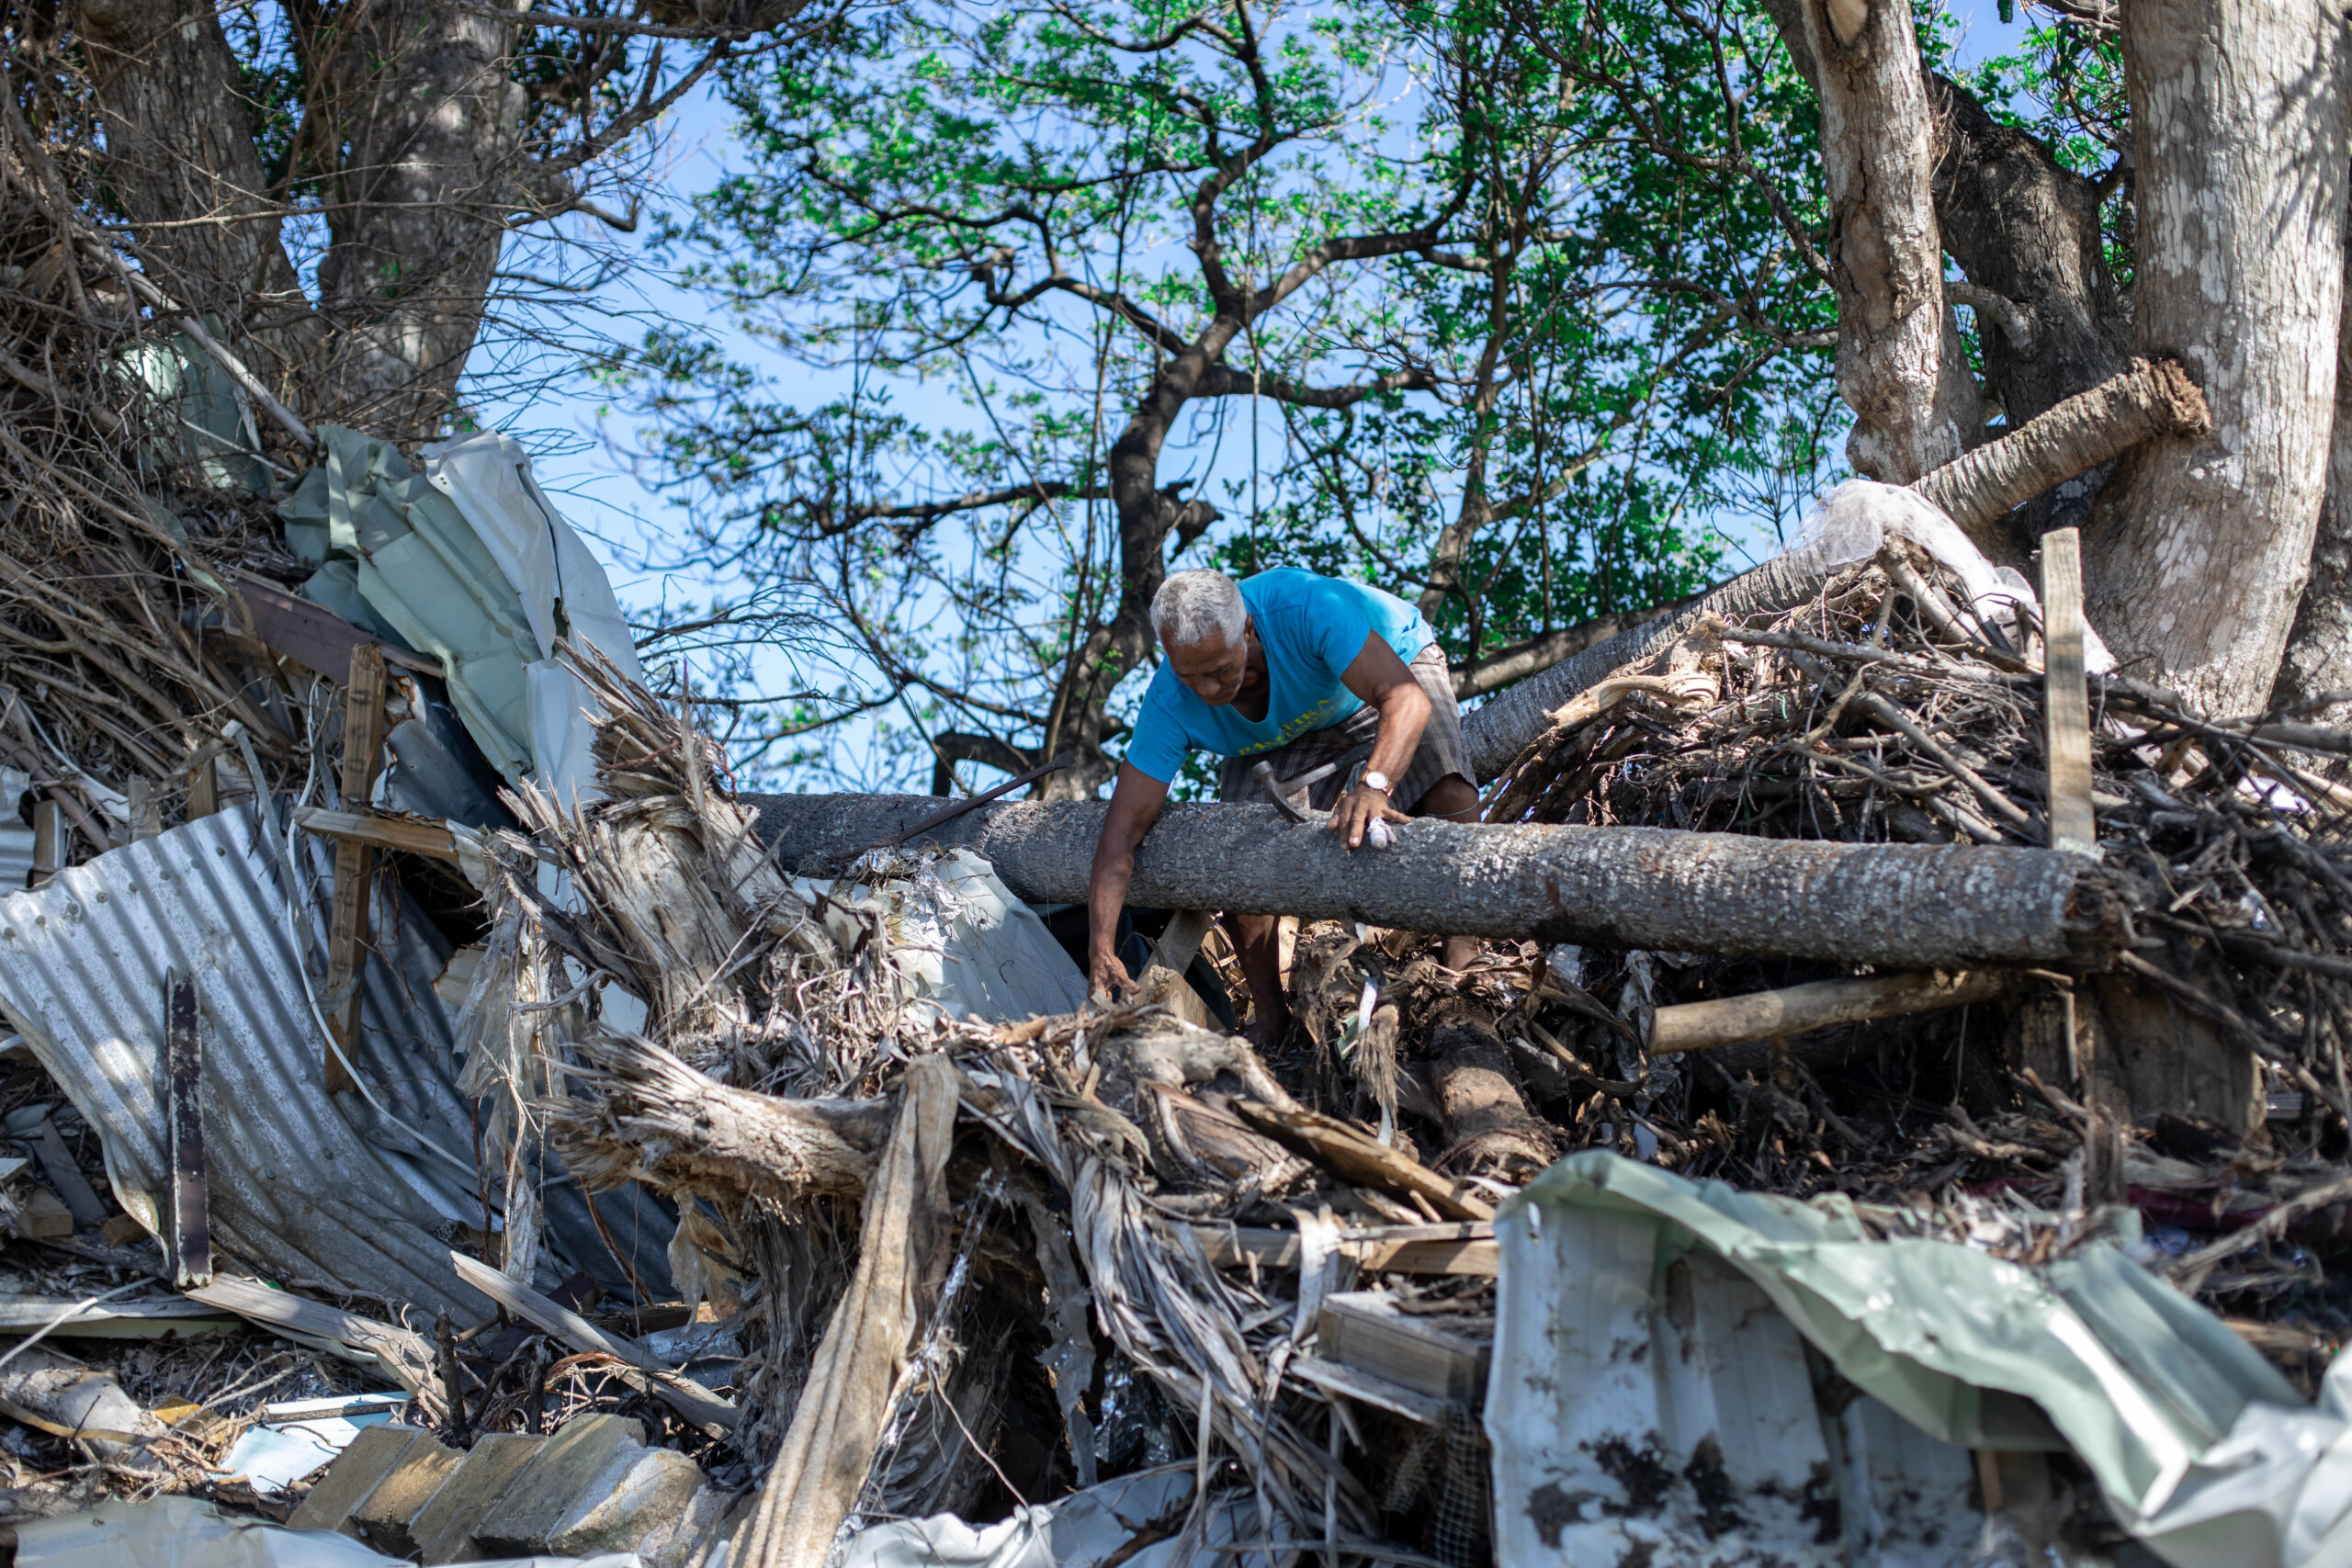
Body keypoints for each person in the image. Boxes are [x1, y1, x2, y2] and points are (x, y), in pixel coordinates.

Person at [1086, 567, 1480, 1043]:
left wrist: (1375, 786)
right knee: (1239, 865)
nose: (1209, 692)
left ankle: (1464, 962)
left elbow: (1406, 700)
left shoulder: (1307, 608)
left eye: (1220, 671)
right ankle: (1272, 1020)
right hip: (1282, 738)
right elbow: (1122, 832)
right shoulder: (1169, 700)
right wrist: (1102, 946)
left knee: (1451, 788)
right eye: (1191, 678)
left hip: (1388, 675)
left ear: (1248, 629)